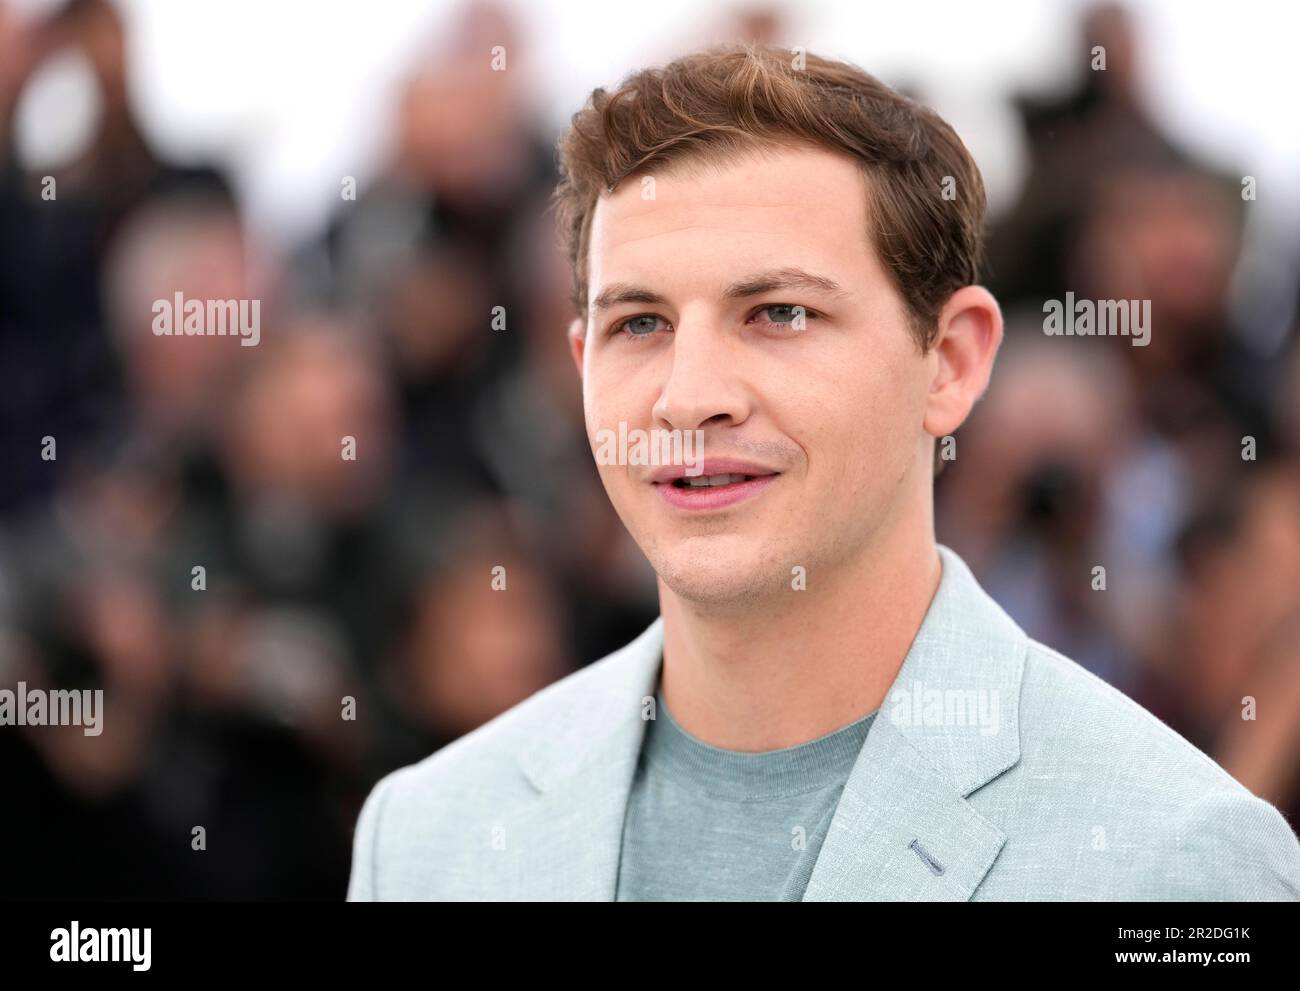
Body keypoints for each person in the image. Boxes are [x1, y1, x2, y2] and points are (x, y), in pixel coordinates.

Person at [347, 43, 1300, 901]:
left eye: (779, 313)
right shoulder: (427, 836)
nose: (689, 398)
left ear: (953, 360)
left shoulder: (1177, 859)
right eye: (639, 323)